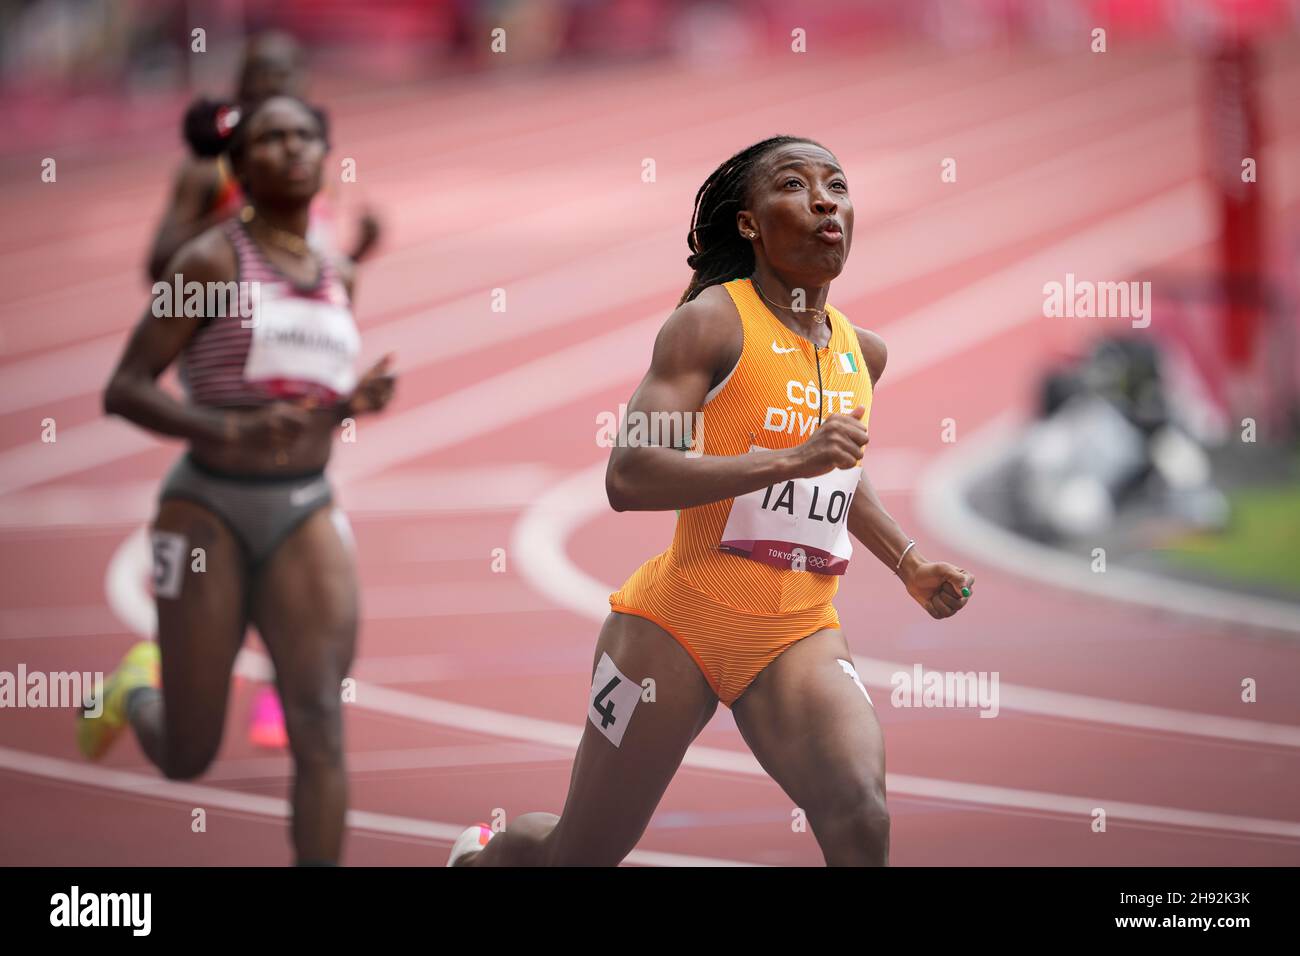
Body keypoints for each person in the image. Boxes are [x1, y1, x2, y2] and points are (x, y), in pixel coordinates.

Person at [448, 136, 973, 867]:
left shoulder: (863, 352)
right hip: (674, 630)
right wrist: (788, 459)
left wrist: (907, 560)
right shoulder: (708, 325)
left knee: (861, 814)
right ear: (751, 224)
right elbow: (629, 475)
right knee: (581, 854)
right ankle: (488, 858)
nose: (826, 201)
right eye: (795, 184)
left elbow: (839, 471)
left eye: (838, 186)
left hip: (797, 633)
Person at [80, 96, 397, 865]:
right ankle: (137, 690)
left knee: (319, 722)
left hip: (304, 507)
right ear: (241, 166)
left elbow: (307, 405)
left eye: (304, 137)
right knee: (189, 752)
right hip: (208, 508)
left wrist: (353, 404)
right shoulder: (212, 261)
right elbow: (125, 387)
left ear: (325, 159)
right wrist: (229, 428)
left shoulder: (338, 275)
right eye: (270, 138)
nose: (290, 148)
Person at [149, 31, 380, 748]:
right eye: (262, 78)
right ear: (239, 89)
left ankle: (288, 687)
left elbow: (317, 255)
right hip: (228, 335)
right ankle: (151, 682)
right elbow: (160, 265)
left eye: (289, 77)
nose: (277, 88)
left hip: (297, 334)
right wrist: (232, 241)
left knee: (301, 486)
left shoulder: (308, 157)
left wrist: (356, 252)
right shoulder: (211, 171)